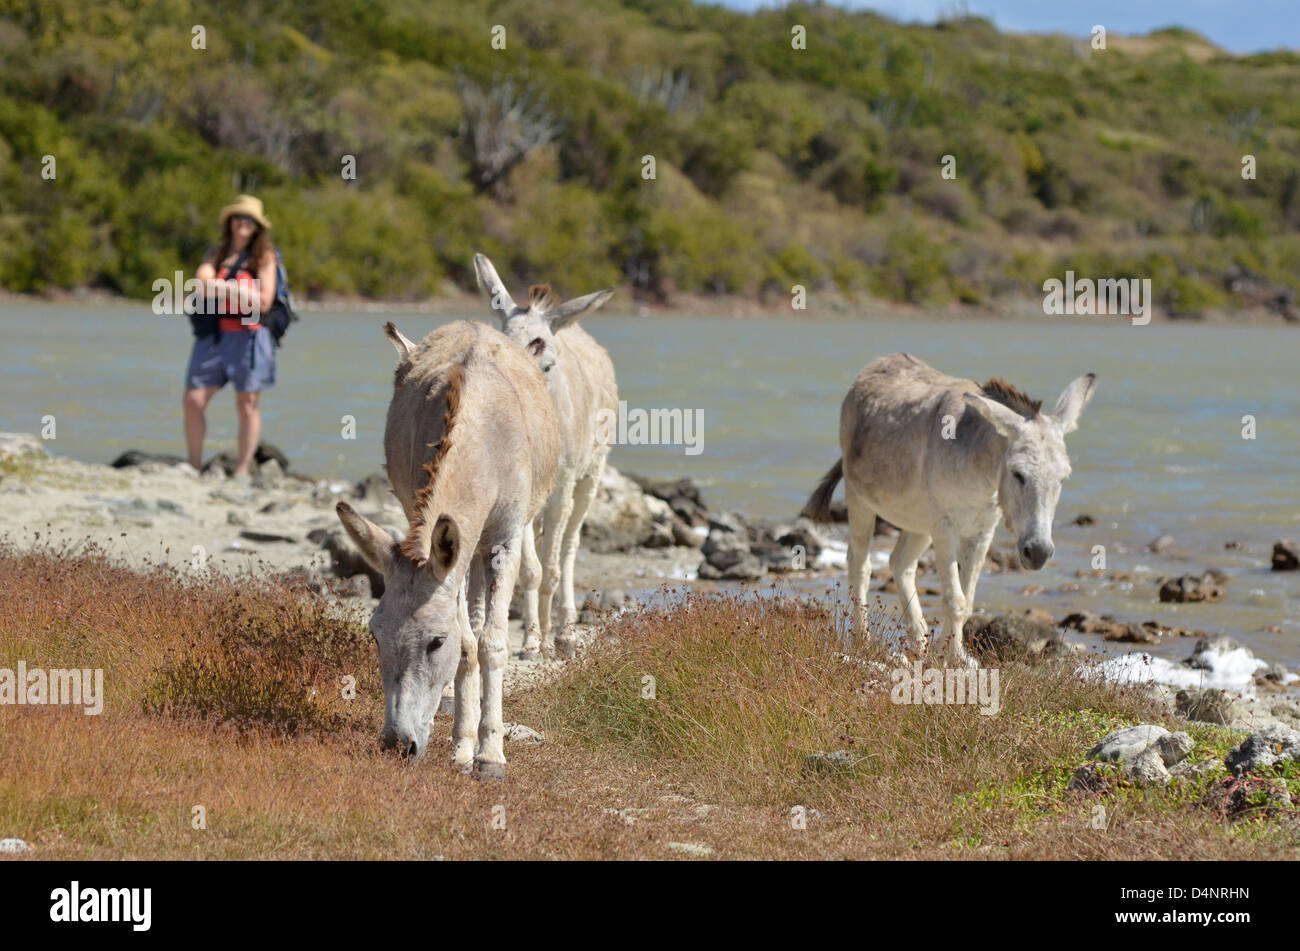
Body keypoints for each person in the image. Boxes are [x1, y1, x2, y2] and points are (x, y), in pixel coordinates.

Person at [183, 195, 279, 475]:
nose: (243, 223)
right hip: (215, 336)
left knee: (247, 404)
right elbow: (200, 285)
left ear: (258, 226)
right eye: (239, 217)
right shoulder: (216, 253)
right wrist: (239, 291)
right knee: (193, 400)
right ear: (230, 222)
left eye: (250, 219)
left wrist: (222, 287)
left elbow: (263, 302)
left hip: (250, 338)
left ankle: (241, 469)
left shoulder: (265, 256)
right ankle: (194, 465)